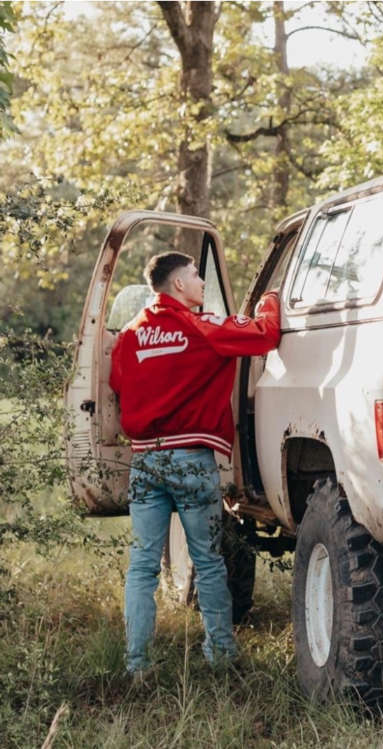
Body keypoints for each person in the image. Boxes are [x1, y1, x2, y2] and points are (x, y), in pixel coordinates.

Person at [109, 251, 281, 676]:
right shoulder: (202, 326)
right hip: (190, 461)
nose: (202, 282)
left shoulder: (130, 334)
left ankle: (137, 665)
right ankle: (221, 656)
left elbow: (117, 383)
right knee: (207, 560)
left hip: (145, 461)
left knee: (144, 564)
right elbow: (264, 335)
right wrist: (271, 300)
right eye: (196, 275)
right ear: (178, 285)